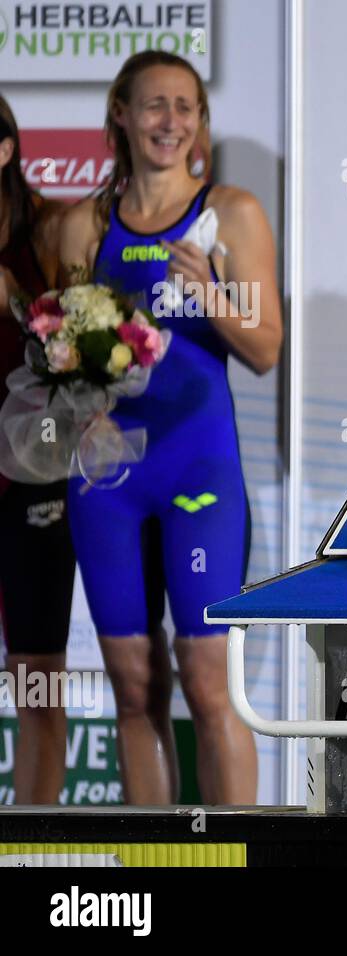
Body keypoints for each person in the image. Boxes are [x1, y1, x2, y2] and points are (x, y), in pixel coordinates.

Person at [58, 51, 283, 805]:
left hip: (198, 470)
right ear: (121, 114)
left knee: (209, 684)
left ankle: (236, 864)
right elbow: (65, 355)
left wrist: (212, 294)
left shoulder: (233, 213)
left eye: (186, 107)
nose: (171, 122)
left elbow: (265, 349)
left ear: (200, 123)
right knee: (132, 684)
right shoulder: (81, 227)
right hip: (106, 478)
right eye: (155, 106)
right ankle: (150, 876)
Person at [0, 95, 75, 804]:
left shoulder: (49, 229)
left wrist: (18, 299)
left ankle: (32, 848)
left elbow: (85, 352)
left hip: (31, 485)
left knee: (38, 684)